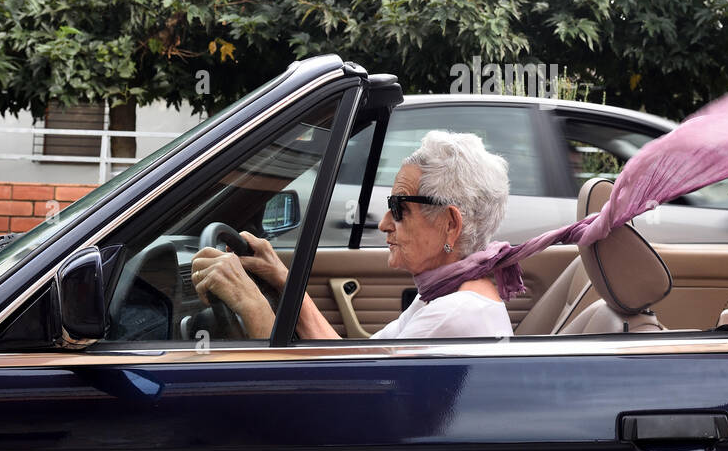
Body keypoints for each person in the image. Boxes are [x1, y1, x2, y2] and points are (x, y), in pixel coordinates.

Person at [190, 130, 514, 340]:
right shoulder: (444, 295)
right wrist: (282, 277)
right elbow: (351, 361)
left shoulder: (453, 316)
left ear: (449, 224)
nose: (385, 223)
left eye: (399, 209)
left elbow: (331, 404)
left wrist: (250, 303)